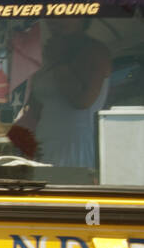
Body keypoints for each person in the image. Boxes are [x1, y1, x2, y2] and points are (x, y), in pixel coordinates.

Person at [25, 18, 112, 169]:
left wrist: (59, 62)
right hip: (44, 144)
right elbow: (36, 108)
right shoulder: (47, 52)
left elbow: (82, 101)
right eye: (52, 17)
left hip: (75, 146)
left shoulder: (94, 51)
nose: (57, 21)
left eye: (65, 16)